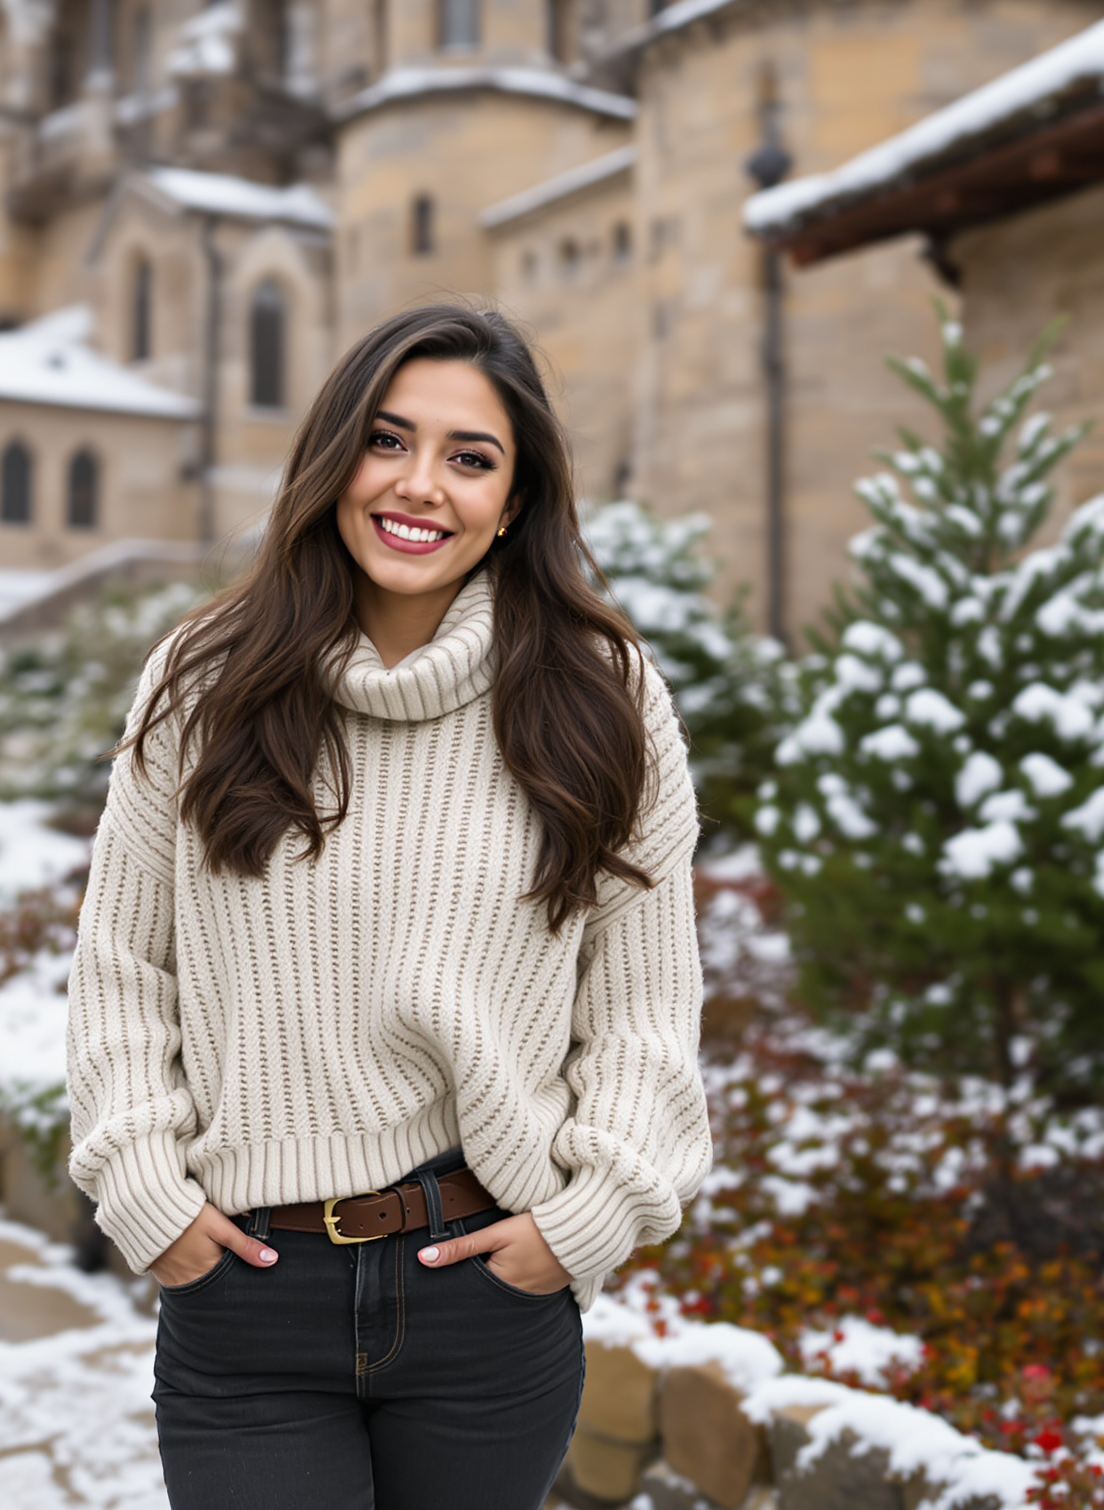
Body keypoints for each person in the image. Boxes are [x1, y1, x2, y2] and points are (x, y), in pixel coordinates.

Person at [66, 302, 709, 1510]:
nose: (422, 484)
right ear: (333, 459)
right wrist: (144, 1188)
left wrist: (587, 1218)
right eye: (388, 439)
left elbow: (642, 1004)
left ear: (513, 500)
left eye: (471, 457)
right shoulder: (205, 679)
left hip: (488, 1296)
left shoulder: (601, 696)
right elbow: (123, 965)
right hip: (248, 1294)